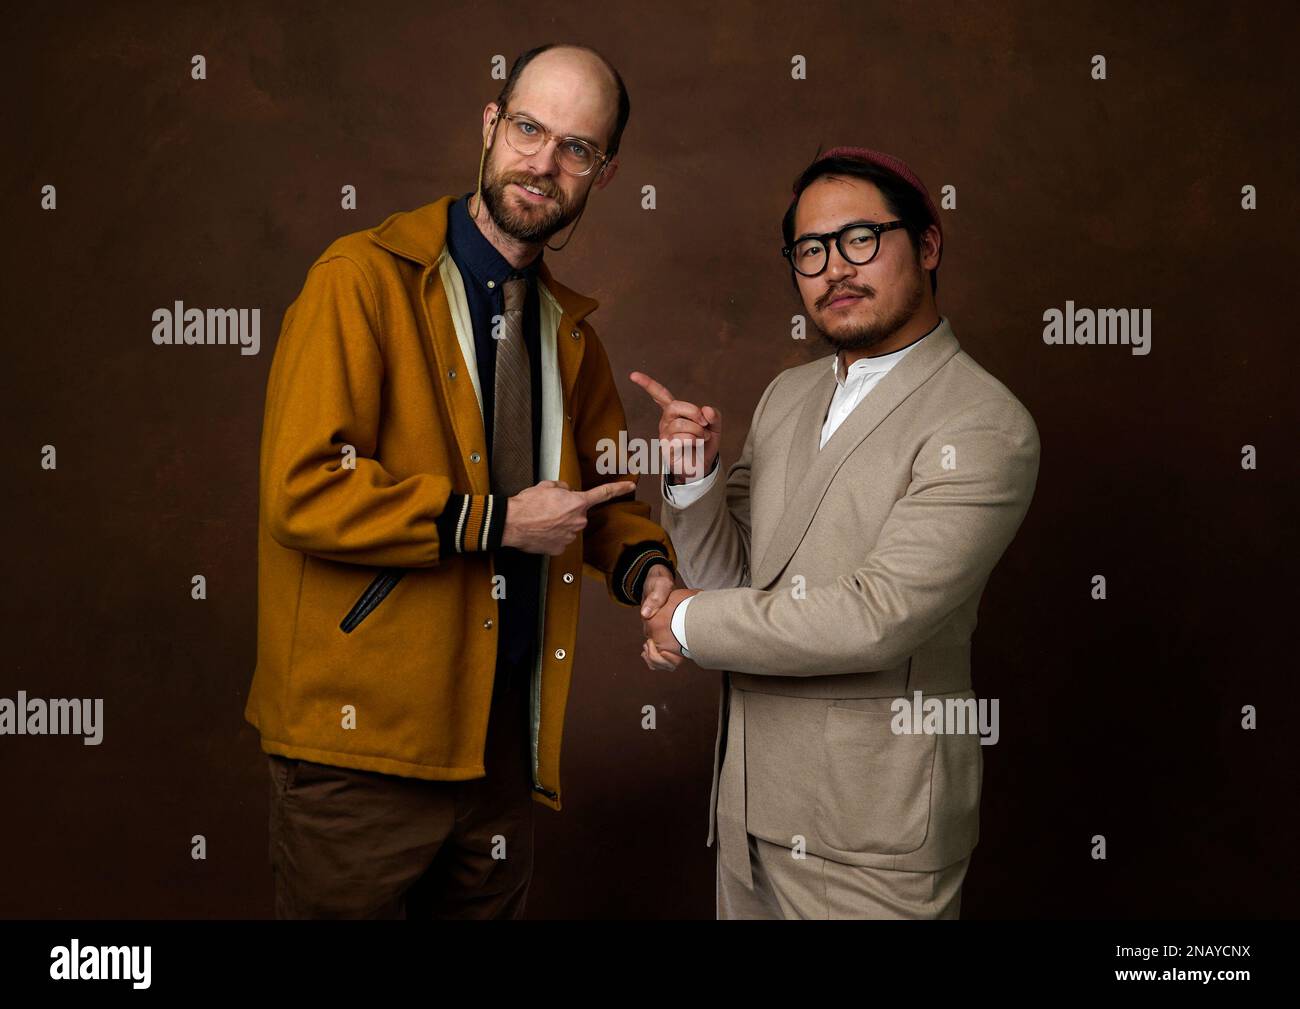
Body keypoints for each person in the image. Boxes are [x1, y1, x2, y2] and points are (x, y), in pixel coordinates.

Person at [245, 43, 677, 919]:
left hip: (502, 755)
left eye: (575, 148)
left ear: (605, 171)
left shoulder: (567, 332)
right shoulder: (358, 280)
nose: (542, 163)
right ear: (490, 126)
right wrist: (496, 523)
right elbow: (302, 489)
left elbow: (598, 507)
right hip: (361, 754)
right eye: (527, 128)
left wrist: (655, 577)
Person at [632, 146, 1041, 919]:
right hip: (747, 811)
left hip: (872, 836)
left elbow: (875, 617)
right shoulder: (790, 393)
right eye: (811, 250)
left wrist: (683, 620)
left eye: (861, 239)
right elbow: (735, 578)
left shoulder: (984, 422)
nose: (834, 269)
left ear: (926, 244)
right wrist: (693, 478)